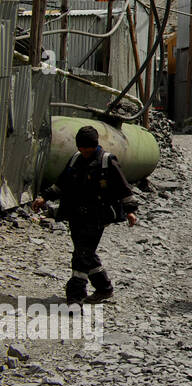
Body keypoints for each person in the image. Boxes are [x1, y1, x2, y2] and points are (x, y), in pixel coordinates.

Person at [33, 125, 138, 304]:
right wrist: (44, 197)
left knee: (81, 255)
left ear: (95, 145)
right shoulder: (75, 159)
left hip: (97, 216)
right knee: (86, 253)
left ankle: (76, 296)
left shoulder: (107, 161)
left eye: (88, 149)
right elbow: (62, 183)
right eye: (81, 149)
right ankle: (104, 288)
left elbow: (123, 188)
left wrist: (130, 211)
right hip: (75, 214)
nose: (85, 152)